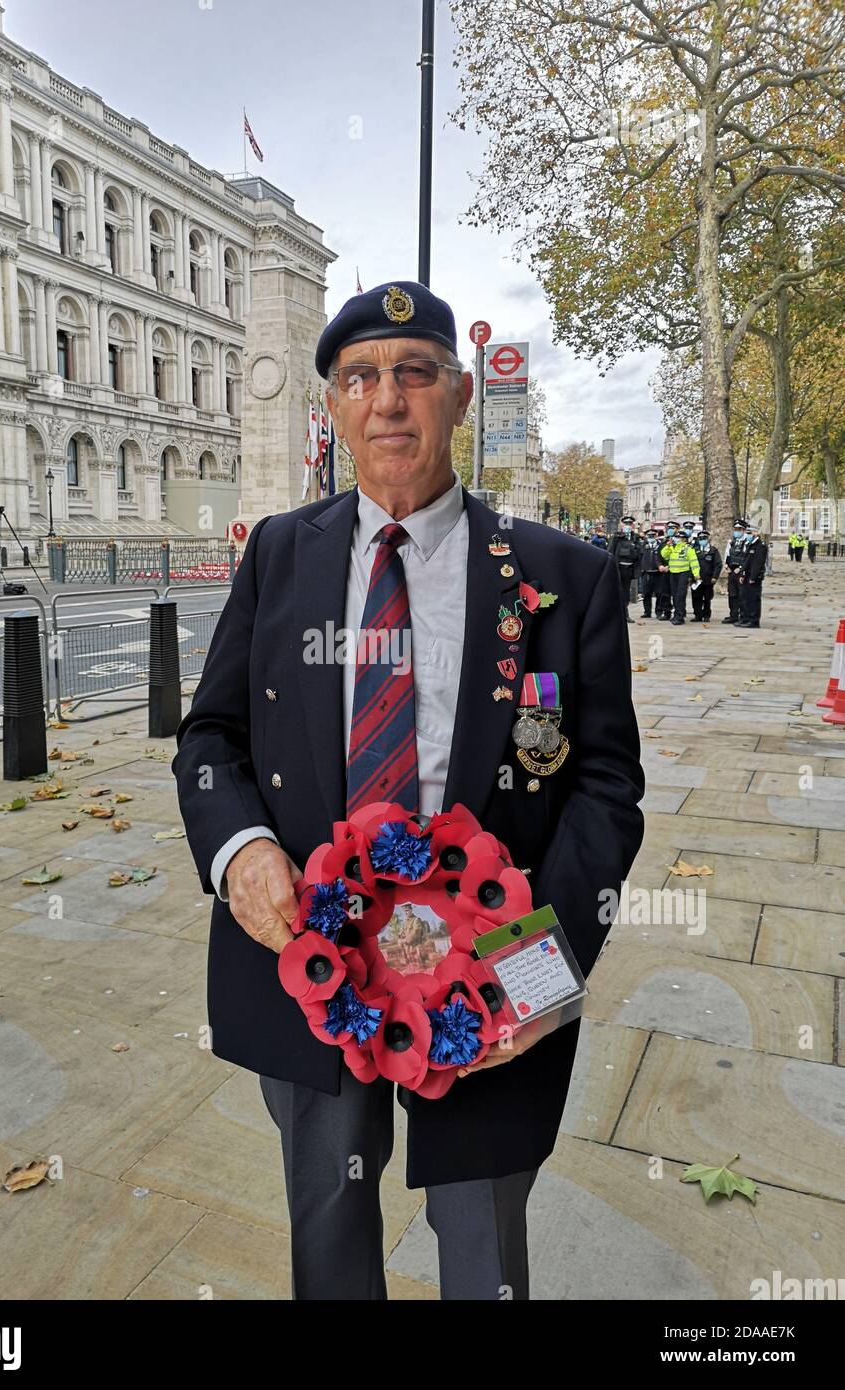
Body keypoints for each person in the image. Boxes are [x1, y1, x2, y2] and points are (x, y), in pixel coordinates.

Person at [173, 279, 645, 1302]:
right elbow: (210, 735)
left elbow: (606, 785)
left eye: (415, 373)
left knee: (482, 1246)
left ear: (461, 396)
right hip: (310, 967)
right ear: (334, 408)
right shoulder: (277, 556)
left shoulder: (563, 573)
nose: (388, 399)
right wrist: (239, 848)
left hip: (488, 976)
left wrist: (538, 973)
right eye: (360, 378)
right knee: (329, 1231)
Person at [659, 520, 700, 625]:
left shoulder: (688, 548)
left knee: (680, 595)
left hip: (683, 573)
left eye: (678, 538)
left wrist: (696, 574)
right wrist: (668, 546)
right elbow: (664, 555)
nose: (676, 539)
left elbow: (694, 562)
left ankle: (680, 616)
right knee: (674, 595)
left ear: (683, 539)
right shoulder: (672, 547)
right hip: (673, 574)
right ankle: (676, 614)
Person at [608, 514, 642, 623]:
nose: (628, 525)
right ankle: (614, 614)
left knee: (626, 593)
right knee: (616, 591)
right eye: (626, 523)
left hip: (629, 569)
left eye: (630, 524)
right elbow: (610, 551)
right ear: (622, 525)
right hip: (618, 568)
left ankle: (625, 614)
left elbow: (639, 554)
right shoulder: (617, 537)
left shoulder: (635, 537)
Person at [736, 521, 768, 627]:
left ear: (756, 533)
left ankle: (753, 620)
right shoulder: (750, 544)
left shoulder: (760, 546)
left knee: (753, 599)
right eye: (747, 533)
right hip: (747, 575)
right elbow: (746, 561)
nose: (748, 535)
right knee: (745, 598)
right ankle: (746, 618)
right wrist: (742, 574)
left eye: (750, 533)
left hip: (754, 576)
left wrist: (753, 577)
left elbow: (757, 564)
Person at [691, 530, 722, 622]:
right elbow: (690, 563)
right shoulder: (694, 550)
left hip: (708, 579)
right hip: (696, 579)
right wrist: (691, 576)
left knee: (707, 598)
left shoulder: (713, 550)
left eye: (704, 538)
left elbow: (718, 564)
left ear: (708, 539)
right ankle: (697, 615)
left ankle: (706, 615)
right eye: (700, 539)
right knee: (696, 598)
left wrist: (715, 577)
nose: (702, 540)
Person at [722, 519, 747, 623]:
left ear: (744, 530)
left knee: (742, 595)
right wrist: (726, 565)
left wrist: (741, 568)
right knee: (732, 594)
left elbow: (747, 557)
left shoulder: (747, 542)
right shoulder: (732, 541)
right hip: (731, 571)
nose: (736, 531)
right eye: (735, 529)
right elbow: (727, 554)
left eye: (739, 529)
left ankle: (743, 616)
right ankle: (733, 615)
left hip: (741, 572)